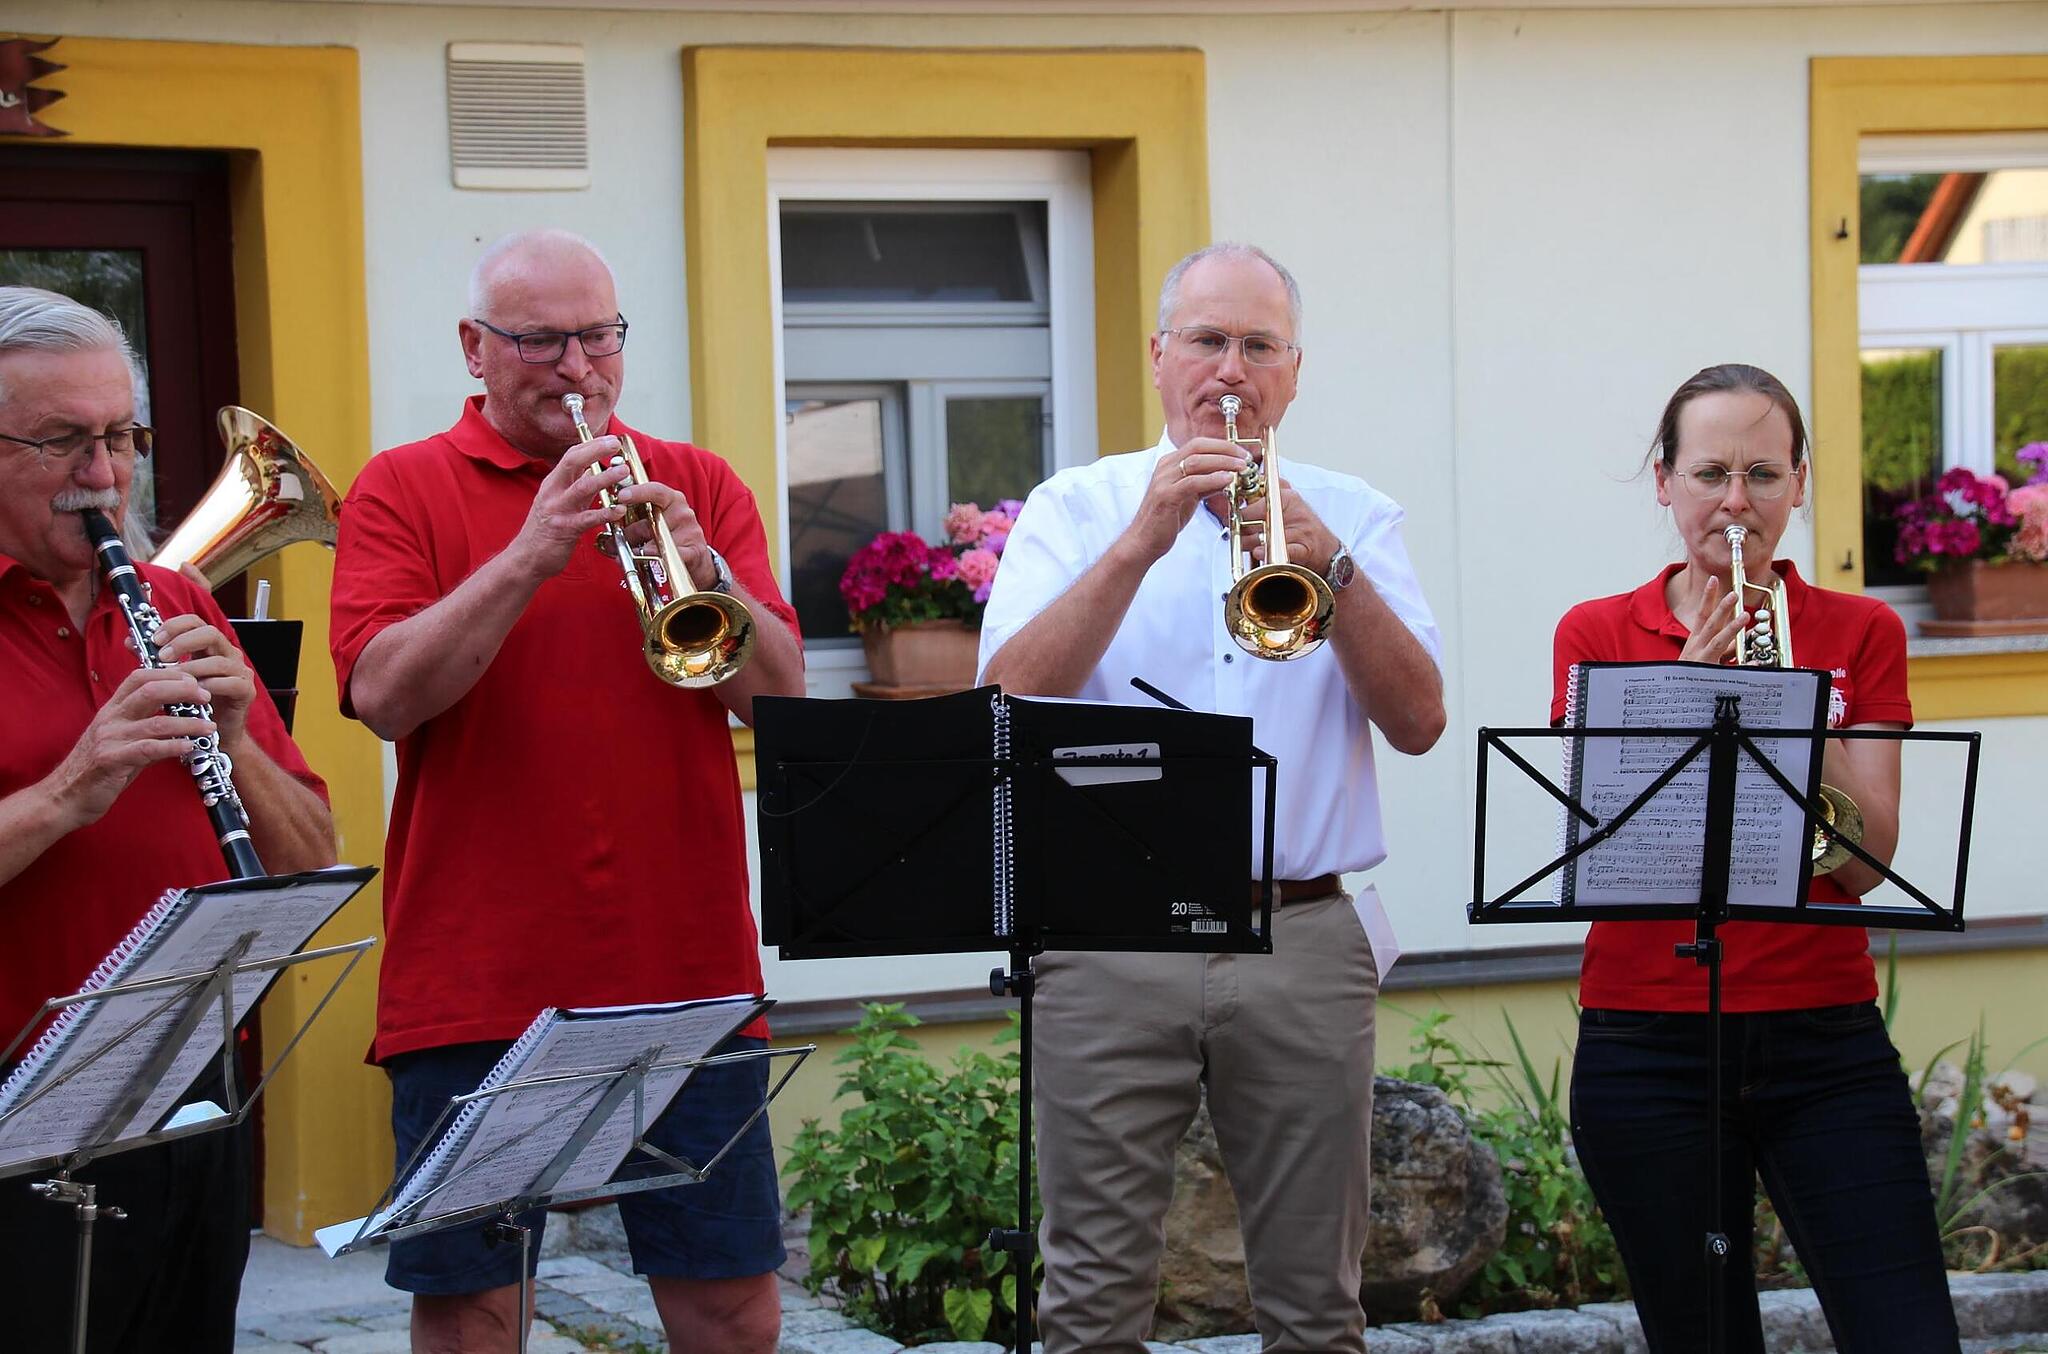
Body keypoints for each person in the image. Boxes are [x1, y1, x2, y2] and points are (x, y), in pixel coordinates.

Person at [329, 230, 804, 1354]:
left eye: (599, 337)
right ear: (474, 347)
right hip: (478, 977)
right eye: (541, 341)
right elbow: (384, 696)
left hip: (685, 970)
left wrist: (709, 572)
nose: (578, 368)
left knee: (732, 1308)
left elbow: (781, 703)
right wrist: (529, 554)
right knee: (476, 1311)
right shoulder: (401, 486)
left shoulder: (696, 481)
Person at [979, 242, 1446, 1352]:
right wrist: (1138, 544)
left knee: (1317, 1310)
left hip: (1301, 932)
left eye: (1257, 346)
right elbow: (1000, 702)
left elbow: (1420, 721)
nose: (1230, 370)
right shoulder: (1076, 506)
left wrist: (1333, 571)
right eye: (1206, 341)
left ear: (1293, 372)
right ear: (1159, 356)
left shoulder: (1353, 514)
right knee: (1091, 1306)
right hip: (1108, 938)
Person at [1552, 363, 1959, 1353]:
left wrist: (1789, 701)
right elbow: (1609, 846)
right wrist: (1687, 693)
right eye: (1709, 473)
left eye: (1762, 474)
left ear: (1799, 484)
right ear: (1664, 482)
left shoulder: (1862, 629)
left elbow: (1864, 864)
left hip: (1824, 1037)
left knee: (1907, 1334)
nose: (1735, 503)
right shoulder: (1596, 631)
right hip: (1647, 1041)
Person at [0, 284, 336, 1353]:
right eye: (61, 441)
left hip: (192, 1090)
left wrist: (238, 739)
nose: (103, 474)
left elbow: (312, 854)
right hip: (18, 1107)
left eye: (120, 437)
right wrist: (69, 790)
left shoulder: (177, 602)